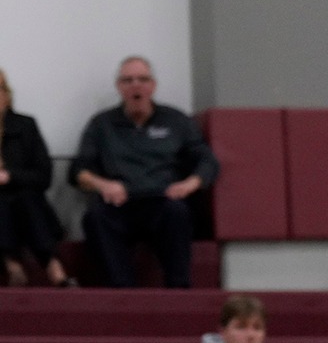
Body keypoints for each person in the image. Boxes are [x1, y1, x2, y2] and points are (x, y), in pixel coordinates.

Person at [72, 56, 219, 289]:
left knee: (178, 213)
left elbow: (207, 161)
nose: (136, 85)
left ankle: (178, 291)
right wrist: (103, 185)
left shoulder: (176, 120)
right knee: (95, 217)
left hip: (163, 201)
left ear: (153, 85)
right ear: (119, 87)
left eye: (142, 79)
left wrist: (189, 184)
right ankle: (121, 292)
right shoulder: (102, 124)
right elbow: (79, 170)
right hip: (119, 204)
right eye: (128, 80)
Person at [0, 68, 70, 286]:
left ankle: (52, 267)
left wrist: (9, 176)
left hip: (27, 202)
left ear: (7, 96)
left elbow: (43, 176)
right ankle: (13, 264)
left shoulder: (25, 126)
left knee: (27, 199)